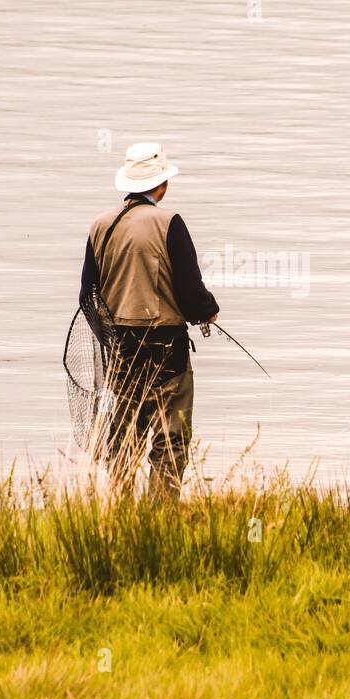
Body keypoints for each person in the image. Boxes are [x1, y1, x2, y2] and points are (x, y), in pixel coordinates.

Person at [79, 142, 219, 499]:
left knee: (124, 440)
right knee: (170, 442)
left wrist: (111, 341)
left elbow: (87, 297)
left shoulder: (100, 225)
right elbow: (191, 293)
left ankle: (121, 518)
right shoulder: (169, 222)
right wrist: (209, 311)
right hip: (168, 351)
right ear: (163, 185)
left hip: (122, 355)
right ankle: (161, 524)